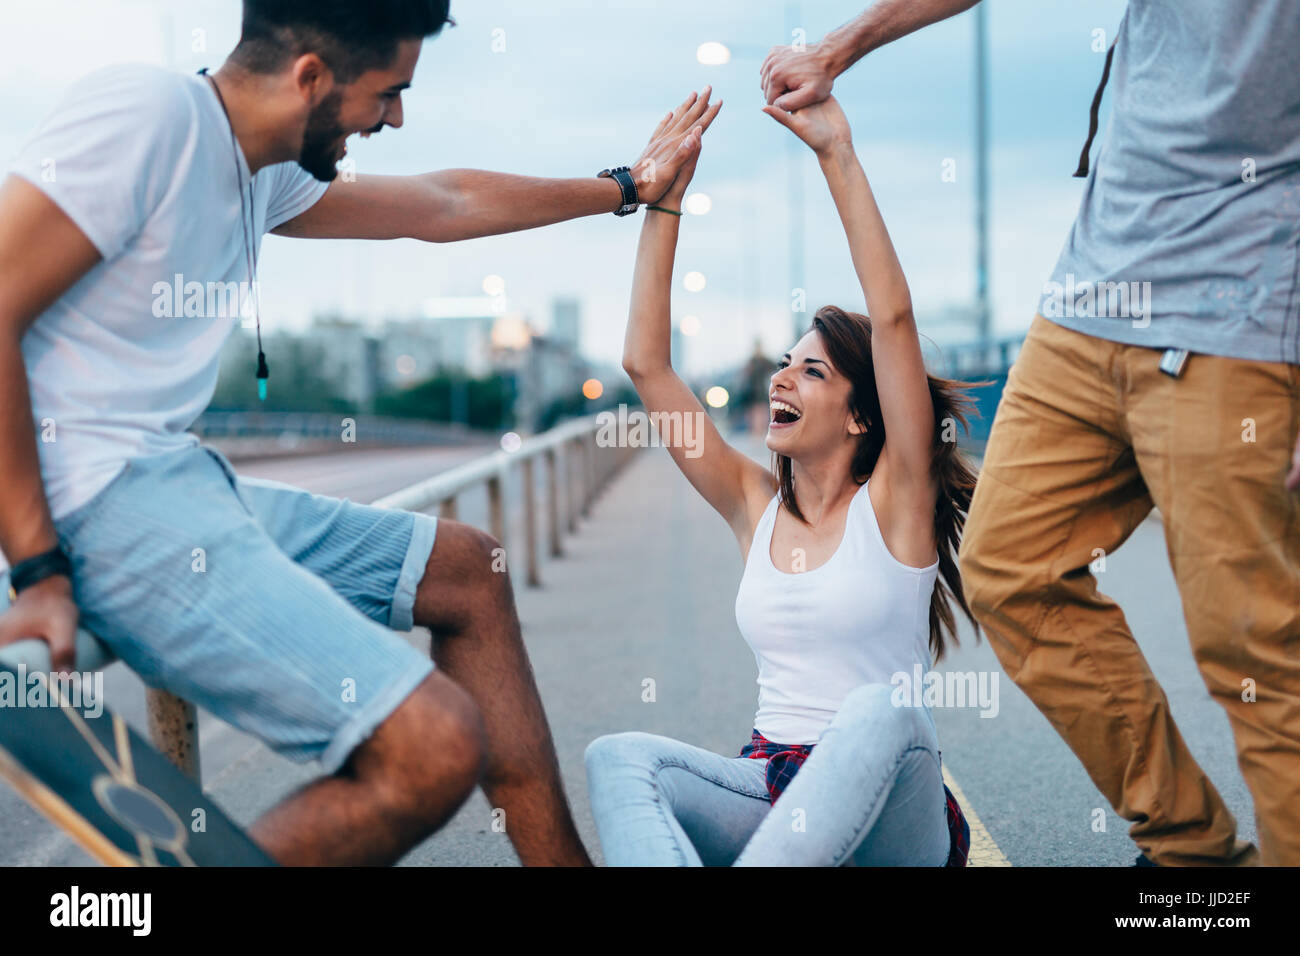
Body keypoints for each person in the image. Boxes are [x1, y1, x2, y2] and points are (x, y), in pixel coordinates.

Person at [0, 0, 721, 866]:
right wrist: (38, 569)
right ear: (311, 77)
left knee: (468, 569)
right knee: (432, 746)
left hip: (180, 485)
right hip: (98, 505)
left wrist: (627, 188)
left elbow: (442, 201)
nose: (397, 118)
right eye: (388, 93)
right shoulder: (149, 117)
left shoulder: (257, 167)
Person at [763, 0, 1300, 866]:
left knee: (1252, 642)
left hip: (1234, 317)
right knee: (1009, 567)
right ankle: (1190, 853)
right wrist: (842, 45)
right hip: (1091, 301)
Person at [584, 92, 977, 866]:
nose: (781, 381)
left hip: (895, 805)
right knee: (618, 757)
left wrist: (837, 154)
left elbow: (892, 320)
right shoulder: (752, 504)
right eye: (783, 365)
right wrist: (662, 206)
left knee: (878, 713)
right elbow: (648, 365)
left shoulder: (897, 505)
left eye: (813, 371)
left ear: (862, 416)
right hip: (775, 787)